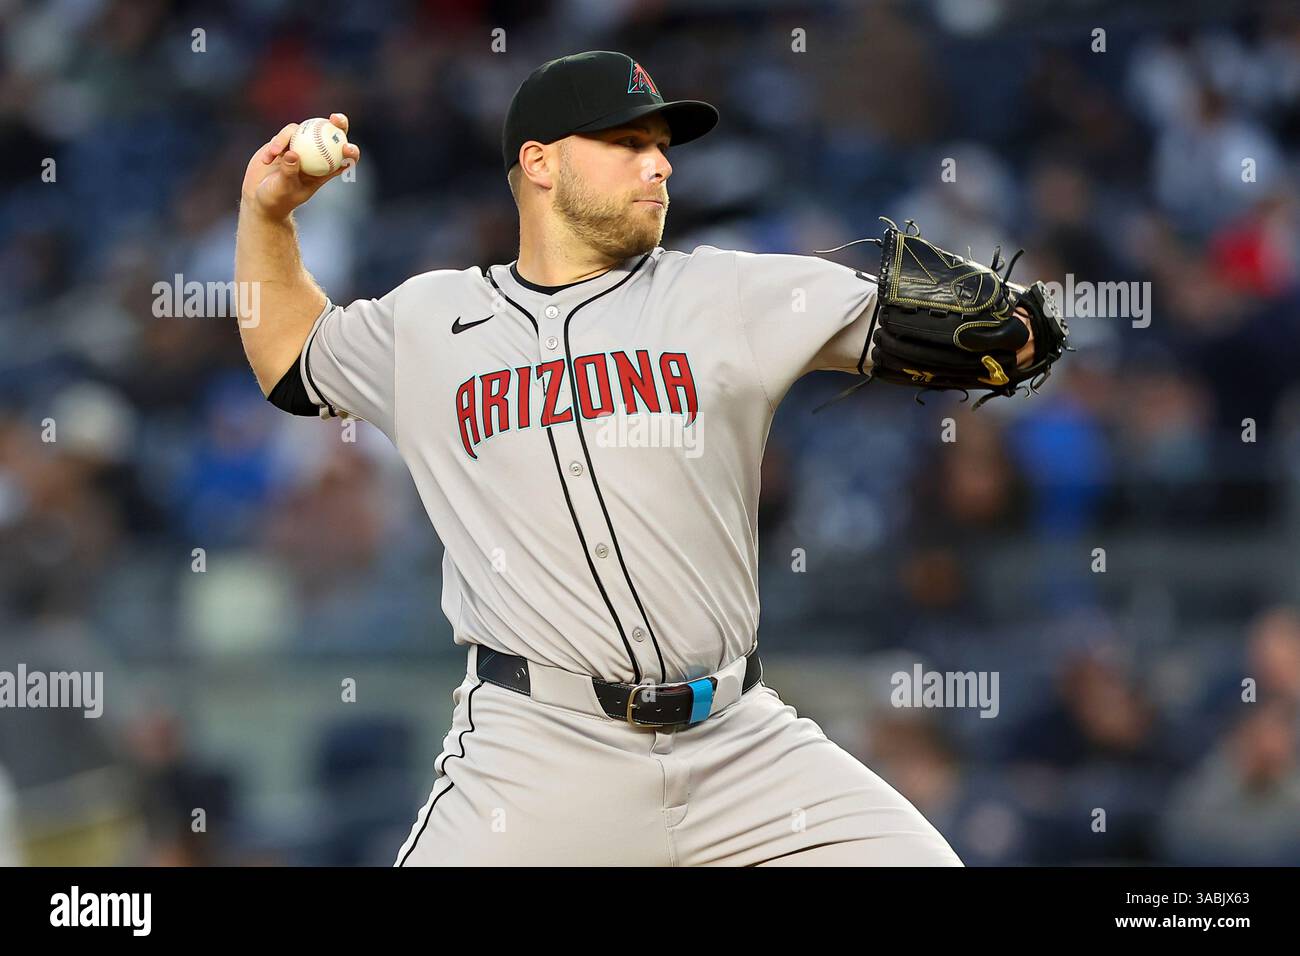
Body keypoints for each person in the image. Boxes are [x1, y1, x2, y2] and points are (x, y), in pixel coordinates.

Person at [234, 50, 1043, 866]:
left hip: (741, 747)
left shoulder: (726, 293)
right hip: (536, 755)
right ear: (540, 163)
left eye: (662, 145)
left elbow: (999, 337)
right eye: (625, 141)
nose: (657, 163)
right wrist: (267, 218)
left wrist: (1006, 323)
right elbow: (292, 359)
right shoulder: (428, 323)